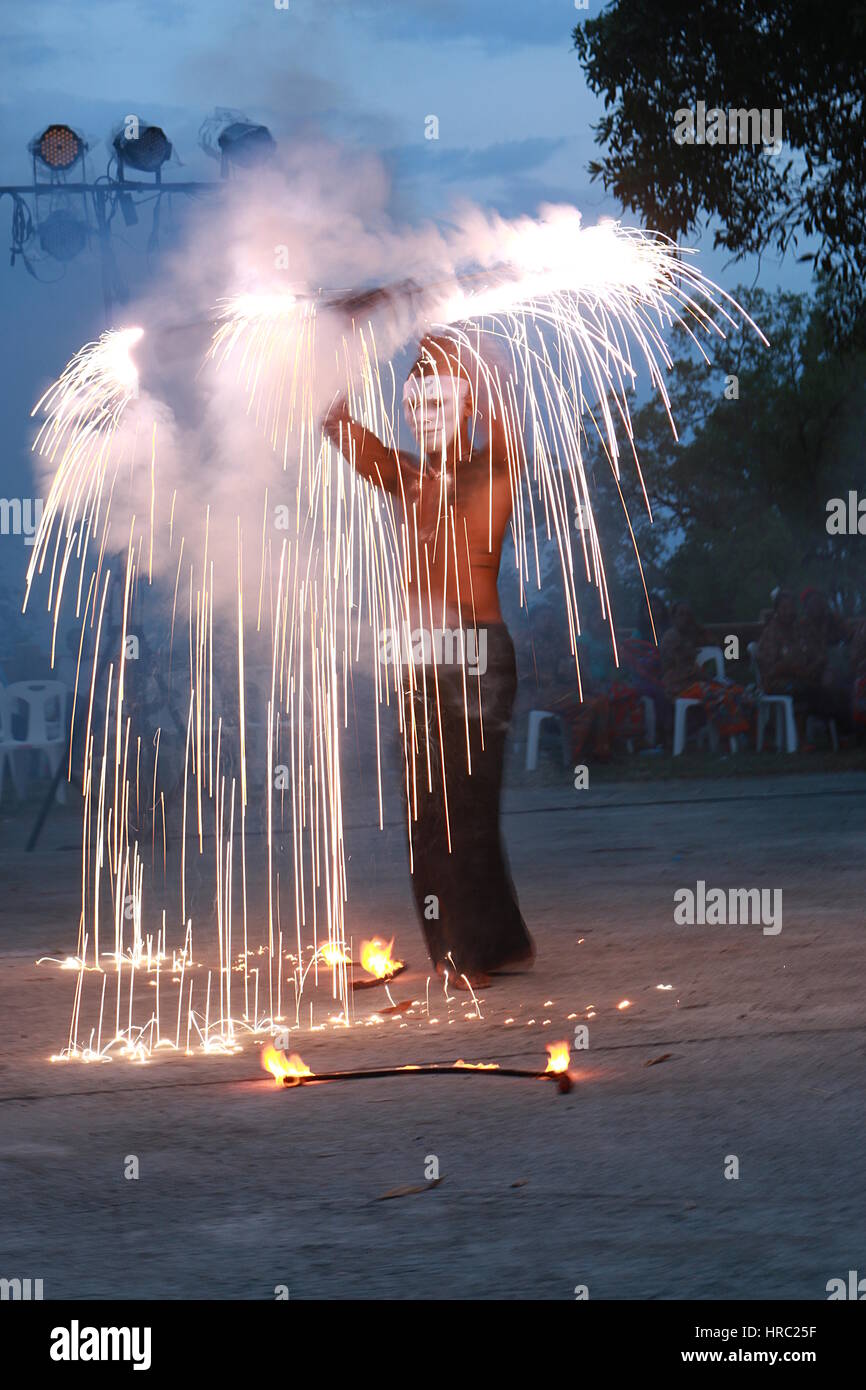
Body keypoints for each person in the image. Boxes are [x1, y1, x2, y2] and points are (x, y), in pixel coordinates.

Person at [323, 327, 535, 988]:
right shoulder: (404, 475)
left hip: (475, 654)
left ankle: (474, 953)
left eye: (441, 388)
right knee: (427, 813)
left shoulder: (493, 465)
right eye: (416, 388)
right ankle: (487, 945)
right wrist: (348, 342)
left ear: (466, 403)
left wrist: (467, 343)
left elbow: (503, 399)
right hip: (419, 657)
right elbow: (335, 424)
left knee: (466, 813)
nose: (423, 401)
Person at [661, 601, 752, 741]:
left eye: (689, 615)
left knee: (737, 691)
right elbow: (683, 666)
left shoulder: (691, 635)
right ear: (673, 618)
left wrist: (697, 628)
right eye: (681, 614)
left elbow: (713, 641)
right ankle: (729, 736)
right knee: (719, 694)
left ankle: (740, 733)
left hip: (695, 682)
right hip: (677, 685)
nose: (685, 618)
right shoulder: (671, 637)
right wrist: (708, 678)